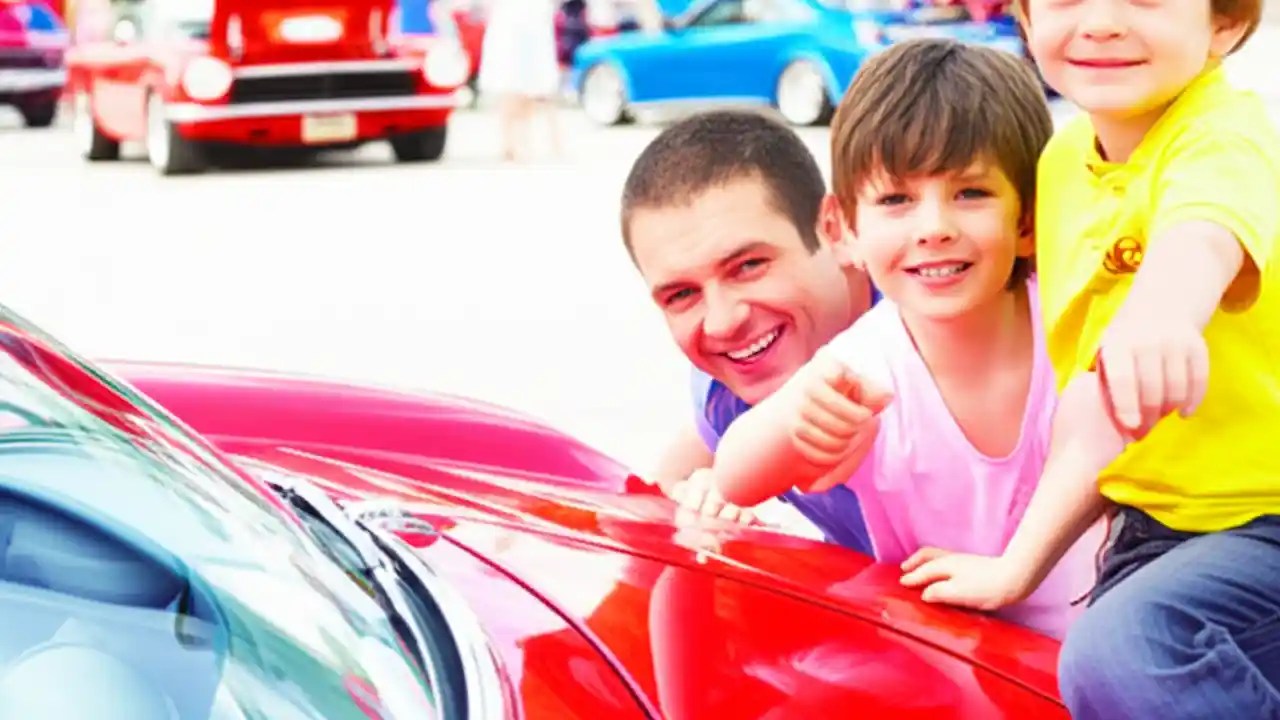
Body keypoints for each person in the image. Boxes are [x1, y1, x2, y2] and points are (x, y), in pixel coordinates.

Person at [897, 0, 1280, 716]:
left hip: (1265, 519)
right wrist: (1017, 567)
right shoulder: (1065, 167)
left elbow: (1204, 229)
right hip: (1154, 533)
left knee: (1126, 649)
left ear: (1225, 23)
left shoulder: (1225, 136)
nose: (1100, 22)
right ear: (1026, 18)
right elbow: (1099, 410)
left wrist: (1164, 311)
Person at [709, 38, 1104, 640]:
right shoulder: (865, 367)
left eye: (970, 193)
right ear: (842, 230)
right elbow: (737, 473)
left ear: (1027, 221)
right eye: (896, 199)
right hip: (957, 662)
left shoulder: (1077, 322)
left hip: (1104, 659)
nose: (934, 229)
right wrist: (801, 417)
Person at [622, 109, 880, 551]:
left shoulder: (941, 337)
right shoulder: (727, 391)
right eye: (681, 295)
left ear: (835, 232)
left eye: (748, 266)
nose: (723, 323)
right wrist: (697, 507)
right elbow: (654, 501)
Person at [476, 0, 563, 161]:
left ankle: (522, 142)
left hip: (531, 20)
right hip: (513, 21)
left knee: (529, 82)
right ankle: (510, 143)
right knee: (512, 81)